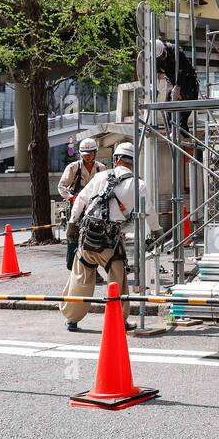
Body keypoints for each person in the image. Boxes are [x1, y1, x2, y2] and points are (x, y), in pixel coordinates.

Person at [60, 141, 148, 332]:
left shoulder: (101, 175)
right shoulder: (139, 184)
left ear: (116, 159)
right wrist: (156, 231)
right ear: (133, 162)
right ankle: (119, 320)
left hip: (88, 236)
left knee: (80, 278)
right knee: (117, 281)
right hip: (111, 243)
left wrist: (72, 224)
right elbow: (148, 212)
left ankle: (72, 319)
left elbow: (81, 199)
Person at [56, 137, 102, 269]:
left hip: (95, 208)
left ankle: (92, 268)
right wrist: (71, 198)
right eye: (85, 155)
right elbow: (62, 186)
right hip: (76, 206)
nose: (88, 157)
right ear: (81, 154)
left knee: (94, 237)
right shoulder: (73, 167)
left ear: (95, 153)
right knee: (74, 236)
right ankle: (72, 265)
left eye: (91, 154)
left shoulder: (101, 168)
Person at [153, 39, 199, 141]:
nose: (163, 58)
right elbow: (158, 73)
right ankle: (173, 133)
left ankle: (184, 139)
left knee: (183, 112)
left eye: (163, 55)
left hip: (187, 81)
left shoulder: (177, 52)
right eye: (160, 58)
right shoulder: (156, 58)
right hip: (172, 80)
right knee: (168, 107)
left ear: (165, 48)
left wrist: (178, 87)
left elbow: (183, 71)